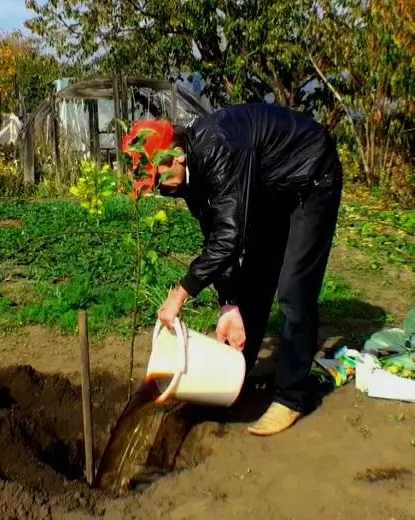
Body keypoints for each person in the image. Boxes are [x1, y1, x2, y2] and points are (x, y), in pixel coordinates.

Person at [121, 103, 343, 436]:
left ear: (177, 156)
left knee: (294, 288)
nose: (160, 191)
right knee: (253, 278)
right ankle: (236, 372)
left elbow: (228, 237)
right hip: (271, 188)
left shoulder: (219, 149)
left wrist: (180, 294)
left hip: (311, 176)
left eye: (158, 181)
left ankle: (292, 397)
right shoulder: (187, 176)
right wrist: (228, 304)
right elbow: (216, 234)